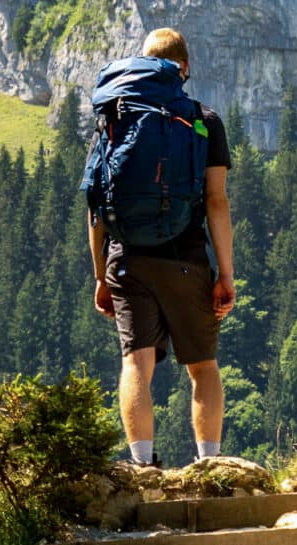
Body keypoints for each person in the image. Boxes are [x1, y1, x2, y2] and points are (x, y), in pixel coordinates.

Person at [86, 28, 235, 465]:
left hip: (126, 258)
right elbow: (216, 201)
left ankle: (142, 464)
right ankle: (209, 463)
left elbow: (95, 205)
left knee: (136, 364)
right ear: (184, 69)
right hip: (185, 257)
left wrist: (100, 275)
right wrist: (224, 274)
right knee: (202, 365)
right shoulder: (203, 119)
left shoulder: (112, 120)